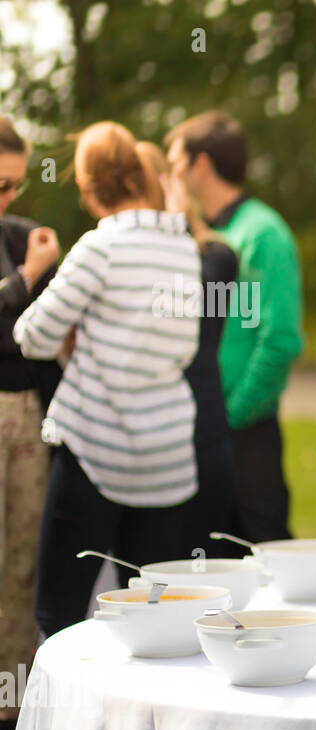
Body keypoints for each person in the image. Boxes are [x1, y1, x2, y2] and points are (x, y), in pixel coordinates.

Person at [14, 122, 201, 638]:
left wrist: (76, 339)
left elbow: (32, 335)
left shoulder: (101, 247)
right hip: (165, 455)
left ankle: (68, 720)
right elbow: (183, 345)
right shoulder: (184, 248)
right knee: (157, 618)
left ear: (89, 187)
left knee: (62, 613)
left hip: (94, 449)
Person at [164, 111, 303, 548]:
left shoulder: (262, 233)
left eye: (174, 163)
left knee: (266, 557)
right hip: (209, 428)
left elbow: (279, 340)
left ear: (200, 165)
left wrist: (230, 418)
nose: (170, 175)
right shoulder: (207, 234)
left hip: (245, 432)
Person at [138, 141, 238, 561]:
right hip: (140, 440)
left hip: (201, 433)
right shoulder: (117, 253)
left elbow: (198, 314)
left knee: (204, 568)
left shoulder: (215, 255)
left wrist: (173, 231)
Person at [0, 116, 60, 730]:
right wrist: (24, 282)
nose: (10, 198)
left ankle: (11, 711)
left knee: (22, 563)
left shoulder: (17, 233)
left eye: (16, 185)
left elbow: (38, 325)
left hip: (25, 413)